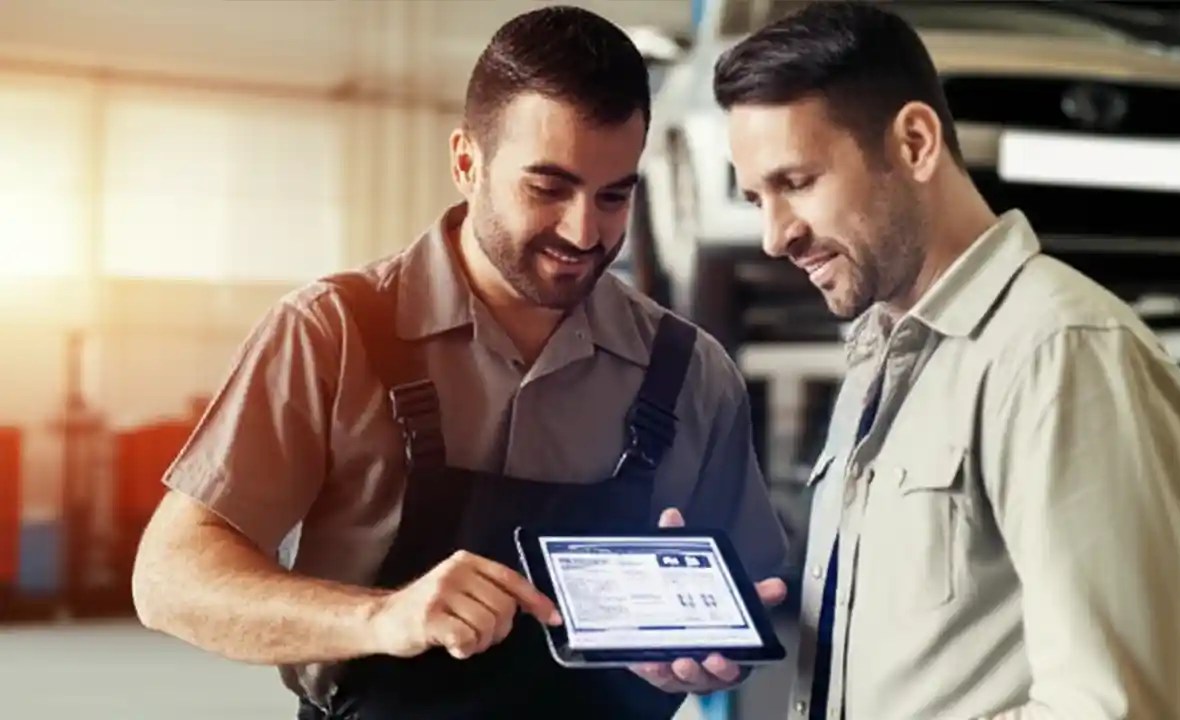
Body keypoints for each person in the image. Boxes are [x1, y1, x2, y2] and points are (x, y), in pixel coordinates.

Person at [131, 6, 787, 719]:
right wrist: (381, 617)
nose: (583, 231)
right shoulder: (334, 333)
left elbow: (747, 590)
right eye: (548, 188)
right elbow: (170, 579)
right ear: (466, 162)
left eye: (613, 196)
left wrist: (692, 650)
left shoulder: (691, 375)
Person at [713, 2, 1180, 719]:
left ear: (915, 143)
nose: (773, 235)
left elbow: (1114, 709)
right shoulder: (879, 357)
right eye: (757, 198)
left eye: (796, 183)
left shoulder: (1062, 353)